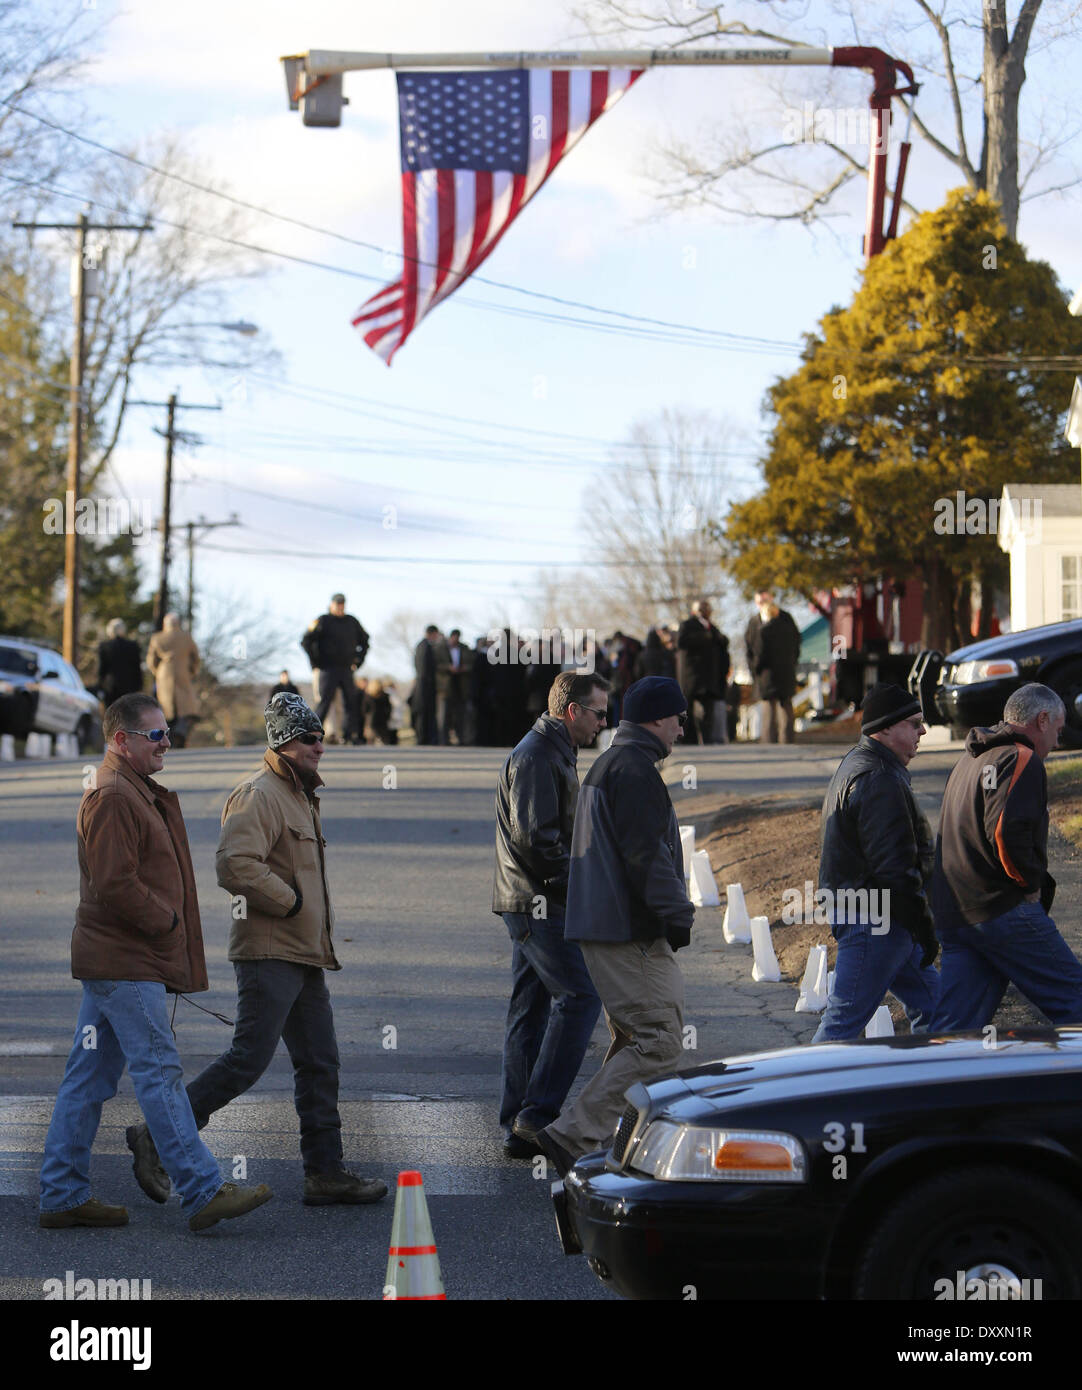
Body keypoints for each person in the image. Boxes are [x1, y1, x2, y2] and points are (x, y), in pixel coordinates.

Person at [126, 693, 387, 1208]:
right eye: (311, 739)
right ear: (284, 743)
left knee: (319, 1062)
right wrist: (290, 904)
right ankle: (156, 1137)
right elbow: (234, 865)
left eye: (321, 738)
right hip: (270, 952)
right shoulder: (260, 794)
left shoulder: (299, 794)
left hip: (303, 954)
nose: (320, 748)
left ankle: (325, 1174)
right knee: (248, 1059)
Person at [38, 692, 272, 1233]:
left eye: (167, 733)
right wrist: (166, 922)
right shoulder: (115, 795)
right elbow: (115, 883)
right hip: (125, 961)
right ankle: (202, 1188)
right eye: (155, 735)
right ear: (122, 740)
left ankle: (62, 1193)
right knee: (160, 1073)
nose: (167, 742)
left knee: (87, 1080)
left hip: (116, 959)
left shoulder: (129, 788)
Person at [535, 676, 694, 1177]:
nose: (682, 731)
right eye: (678, 720)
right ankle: (572, 1137)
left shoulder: (617, 764)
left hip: (613, 928)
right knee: (661, 1041)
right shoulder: (633, 770)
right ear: (656, 719)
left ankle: (614, 1142)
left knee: (634, 1041)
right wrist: (678, 915)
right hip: (628, 932)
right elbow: (647, 858)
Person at [493, 671, 611, 1159]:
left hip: (530, 898)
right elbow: (538, 841)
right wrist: (587, 883)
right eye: (599, 712)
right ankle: (537, 1117)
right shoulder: (539, 755)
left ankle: (519, 1122)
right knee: (581, 997)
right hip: (535, 901)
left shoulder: (552, 749)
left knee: (530, 1010)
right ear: (572, 711)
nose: (605, 722)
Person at [931, 684, 1082, 1030]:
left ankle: (928, 1081)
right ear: (1041, 720)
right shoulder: (1021, 758)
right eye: (1058, 731)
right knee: (1074, 998)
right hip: (1001, 908)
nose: (1057, 743)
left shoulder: (970, 760)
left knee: (955, 1031)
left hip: (957, 913)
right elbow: (1004, 832)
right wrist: (1029, 884)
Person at [812, 683, 940, 1042]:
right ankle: (801, 1093)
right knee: (842, 1026)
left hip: (881, 918)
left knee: (939, 1011)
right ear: (884, 728)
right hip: (876, 920)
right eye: (914, 724)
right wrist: (924, 925)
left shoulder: (863, 763)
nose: (923, 731)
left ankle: (932, 1093)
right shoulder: (878, 778)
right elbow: (894, 867)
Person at [301, 594, 369, 745]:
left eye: (342, 604)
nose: (340, 607)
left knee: (350, 703)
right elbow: (306, 640)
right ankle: (313, 735)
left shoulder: (352, 621)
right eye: (337, 604)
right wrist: (316, 662)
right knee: (324, 702)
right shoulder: (322, 620)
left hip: (346, 668)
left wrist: (358, 661)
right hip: (327, 669)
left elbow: (365, 641)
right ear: (331, 604)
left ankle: (349, 735)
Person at [745, 591, 802, 744]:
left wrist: (755, 668)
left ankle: (769, 743)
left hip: (767, 673)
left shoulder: (761, 627)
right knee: (786, 708)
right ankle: (787, 741)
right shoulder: (786, 621)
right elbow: (797, 644)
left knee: (769, 710)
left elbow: (755, 651)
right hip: (786, 671)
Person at [676, 601, 729, 744]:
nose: (705, 612)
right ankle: (688, 740)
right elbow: (681, 642)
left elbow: (722, 644)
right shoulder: (687, 625)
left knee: (708, 711)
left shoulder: (713, 628)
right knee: (688, 709)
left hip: (709, 676)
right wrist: (703, 637)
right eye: (701, 609)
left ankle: (707, 739)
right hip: (691, 676)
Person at [146, 613, 200, 748]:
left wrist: (157, 672)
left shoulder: (157, 638)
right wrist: (192, 671)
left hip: (164, 673)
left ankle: (169, 735)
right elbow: (196, 657)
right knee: (184, 707)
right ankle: (180, 732)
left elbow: (151, 660)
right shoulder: (186, 637)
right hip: (183, 672)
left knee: (167, 707)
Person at [96, 618, 142, 703]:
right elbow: (137, 668)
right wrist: (139, 687)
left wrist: (99, 687)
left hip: (110, 688)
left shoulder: (104, 646)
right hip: (129, 688)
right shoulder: (133, 646)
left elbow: (102, 670)